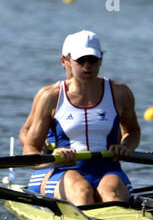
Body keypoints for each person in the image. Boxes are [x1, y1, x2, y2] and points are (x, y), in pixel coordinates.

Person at [19, 30, 139, 205]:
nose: (87, 65)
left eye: (92, 60)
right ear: (66, 60)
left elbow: (134, 132)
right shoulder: (51, 96)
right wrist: (54, 156)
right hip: (65, 170)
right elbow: (30, 149)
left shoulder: (120, 93)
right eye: (80, 60)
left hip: (108, 169)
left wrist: (125, 147)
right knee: (82, 192)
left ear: (101, 60)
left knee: (111, 194)